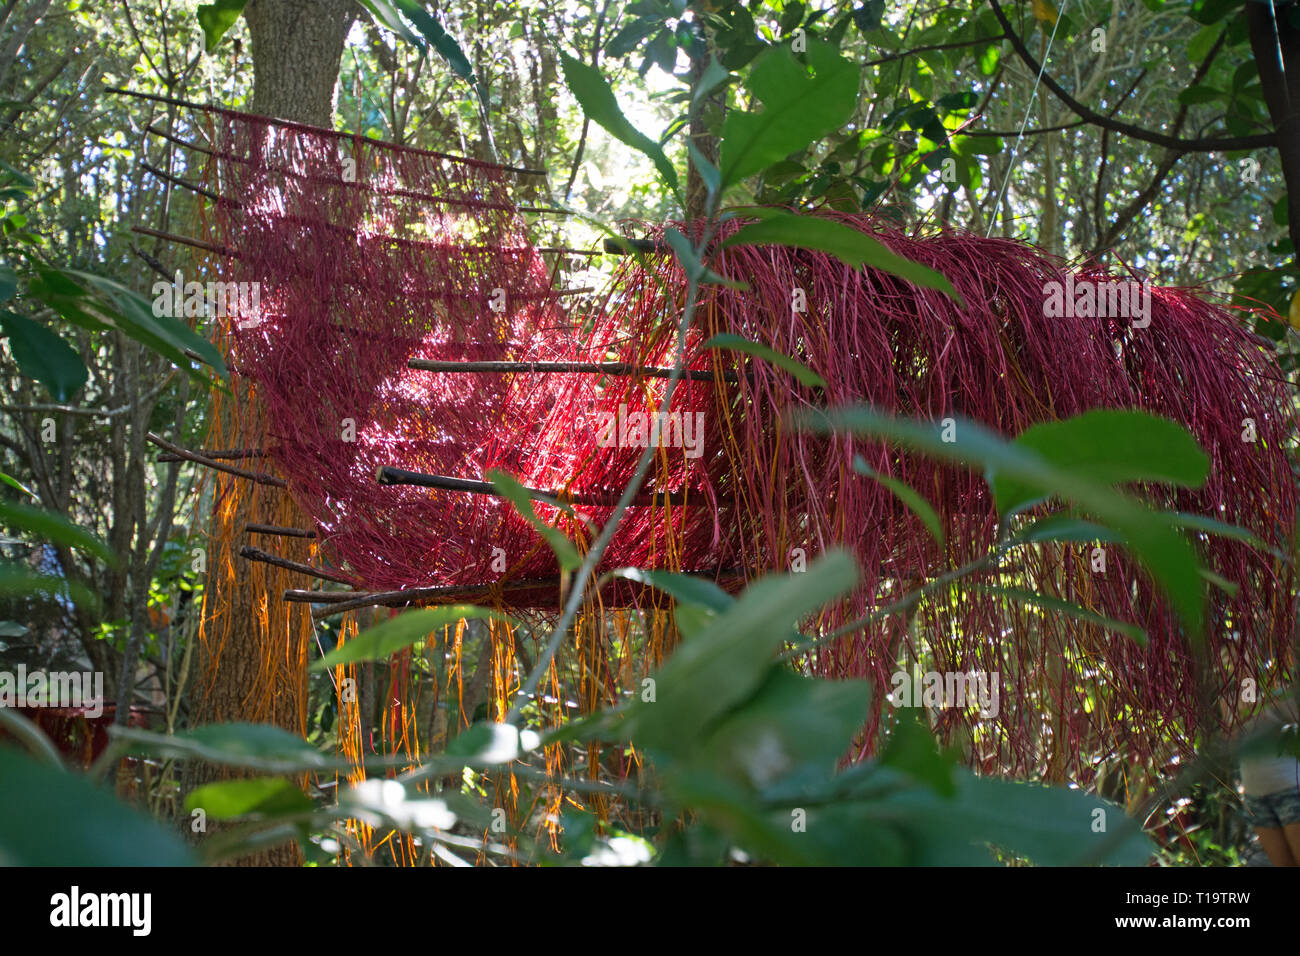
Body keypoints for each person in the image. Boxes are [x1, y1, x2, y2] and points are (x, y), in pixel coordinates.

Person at [1240, 696, 1300, 866]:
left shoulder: (1283, 676)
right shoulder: (1235, 686)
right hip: (1255, 793)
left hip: (1291, 787)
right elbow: (1232, 737)